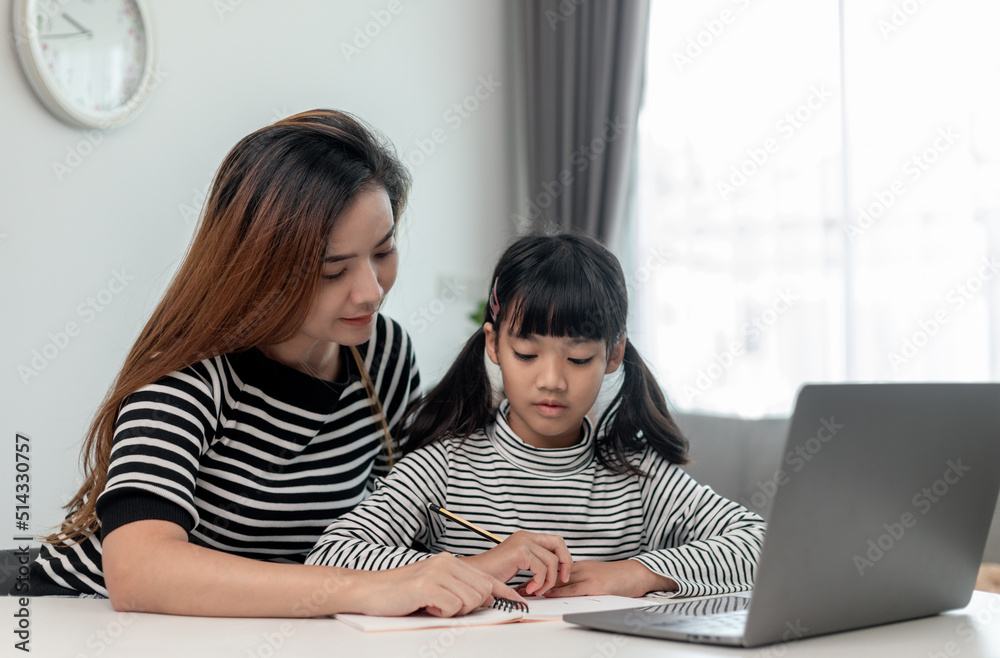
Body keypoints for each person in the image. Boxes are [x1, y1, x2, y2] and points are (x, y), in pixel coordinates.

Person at [26, 109, 521, 618]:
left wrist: (477, 566)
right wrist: (368, 589)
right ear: (261, 265)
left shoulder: (385, 356)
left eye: (383, 251)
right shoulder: (188, 378)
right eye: (333, 270)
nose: (371, 291)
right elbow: (137, 573)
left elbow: (383, 529)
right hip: (67, 617)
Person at [306, 232, 766, 599]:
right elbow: (330, 558)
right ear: (493, 345)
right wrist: (474, 568)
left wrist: (638, 572)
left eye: (578, 359)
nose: (552, 380)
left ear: (613, 354)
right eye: (527, 354)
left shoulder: (638, 478)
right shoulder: (443, 469)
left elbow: (762, 544)